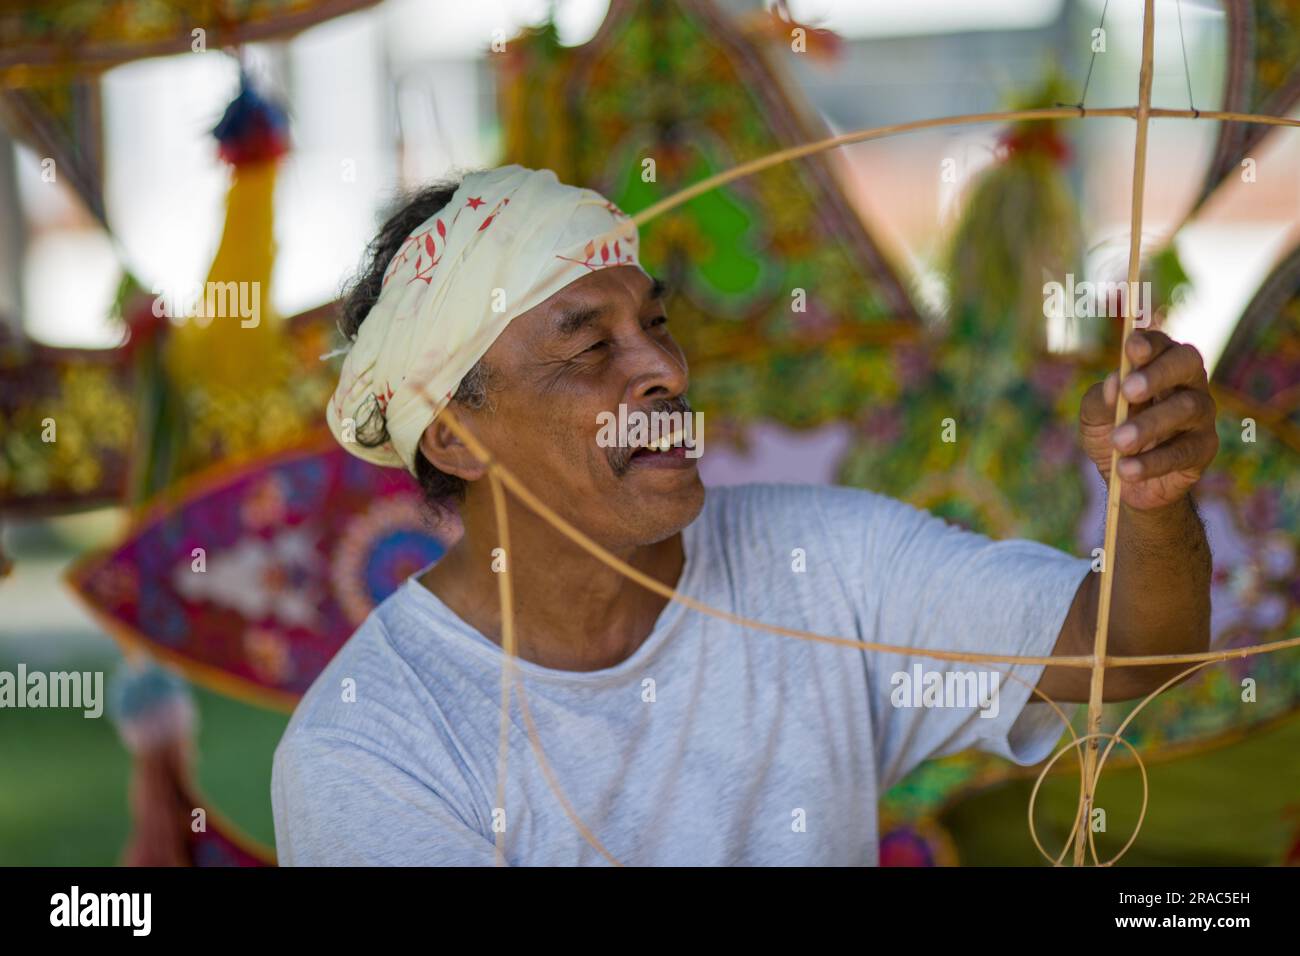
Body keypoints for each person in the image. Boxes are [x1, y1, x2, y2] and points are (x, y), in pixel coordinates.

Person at [271, 165, 1216, 865]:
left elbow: (1129, 648)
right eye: (588, 345)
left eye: (656, 325)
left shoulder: (827, 563)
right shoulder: (370, 750)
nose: (666, 372)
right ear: (453, 439)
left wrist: (1151, 504)